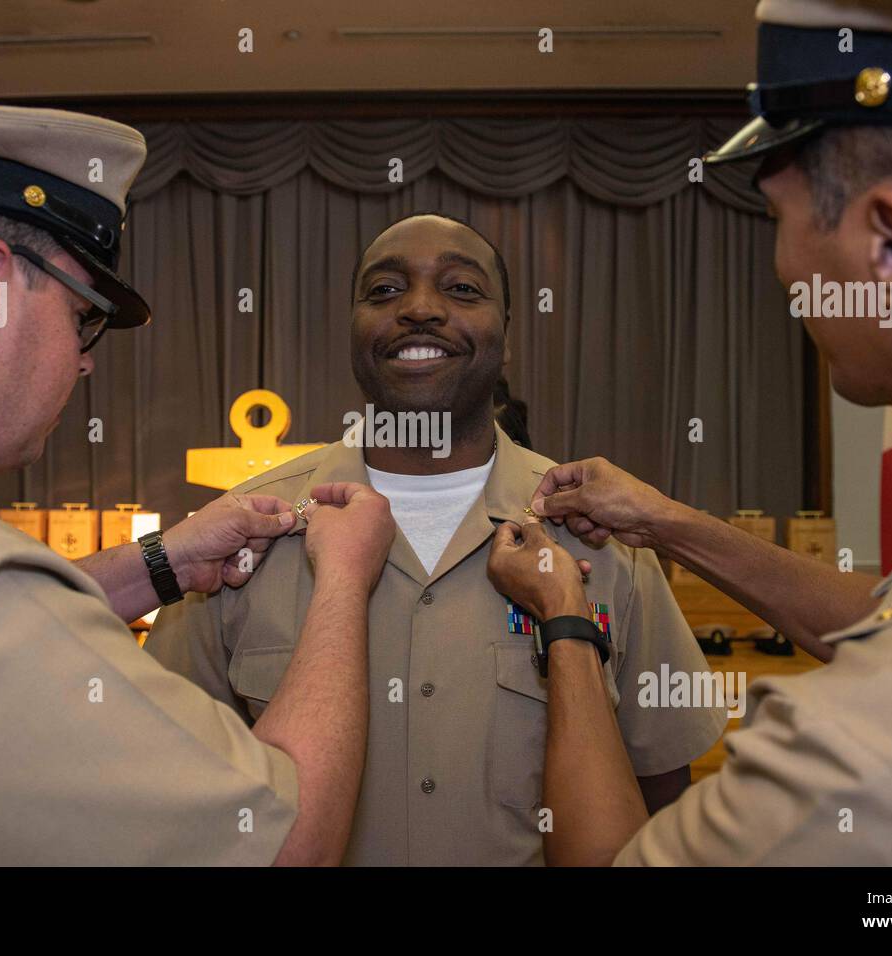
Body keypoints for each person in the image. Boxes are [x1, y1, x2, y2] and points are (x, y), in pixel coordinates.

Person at [0, 100, 395, 865]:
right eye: (83, 317)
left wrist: (163, 562)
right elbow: (292, 845)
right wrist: (344, 581)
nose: (85, 360)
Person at [488, 0, 892, 864]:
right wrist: (664, 518)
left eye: (779, 223)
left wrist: (566, 617)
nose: (785, 273)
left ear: (888, 249)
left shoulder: (871, 763)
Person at [144, 211, 725, 865]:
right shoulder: (242, 536)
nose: (420, 308)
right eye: (385, 291)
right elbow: (167, 786)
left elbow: (661, 792)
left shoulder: (600, 537)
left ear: (507, 339)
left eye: (462, 289)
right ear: (354, 330)